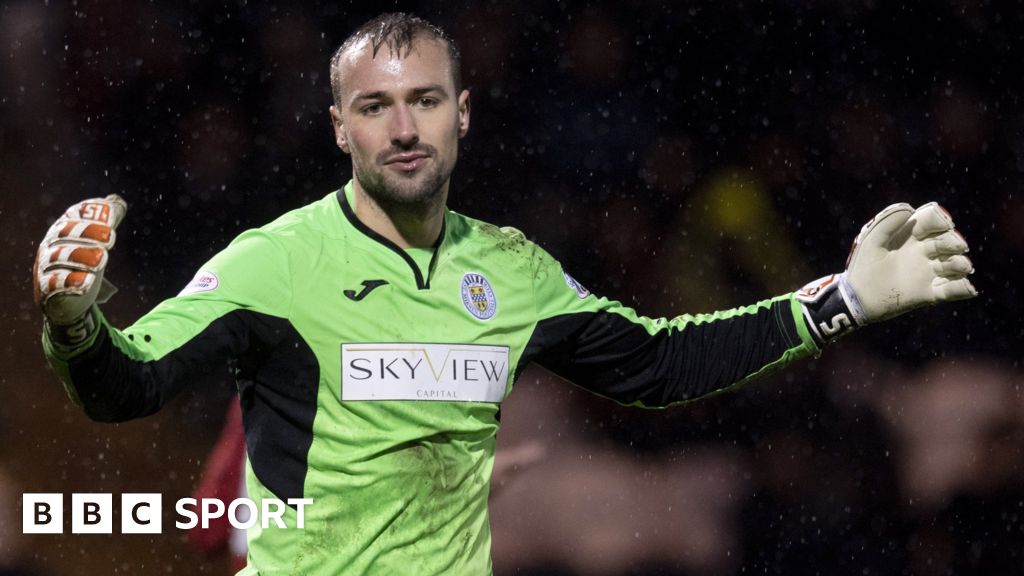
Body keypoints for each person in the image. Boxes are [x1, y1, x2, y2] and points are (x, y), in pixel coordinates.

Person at [32, 12, 976, 576]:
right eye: (373, 107)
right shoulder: (272, 263)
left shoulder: (514, 270)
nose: (404, 129)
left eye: (426, 101)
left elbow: (655, 364)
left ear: (463, 113)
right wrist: (78, 327)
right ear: (337, 129)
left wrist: (841, 299)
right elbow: (128, 388)